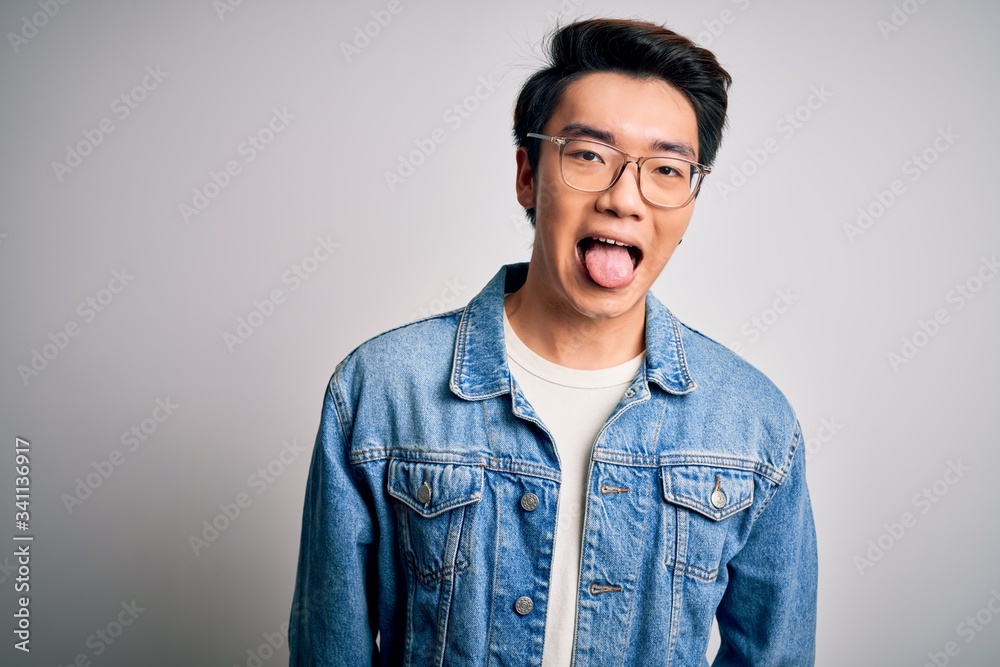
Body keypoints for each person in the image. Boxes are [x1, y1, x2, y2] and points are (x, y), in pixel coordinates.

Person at [289, 16, 817, 666]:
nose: (625, 199)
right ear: (527, 176)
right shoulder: (380, 391)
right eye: (589, 155)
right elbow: (328, 650)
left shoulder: (755, 424)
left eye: (667, 169)